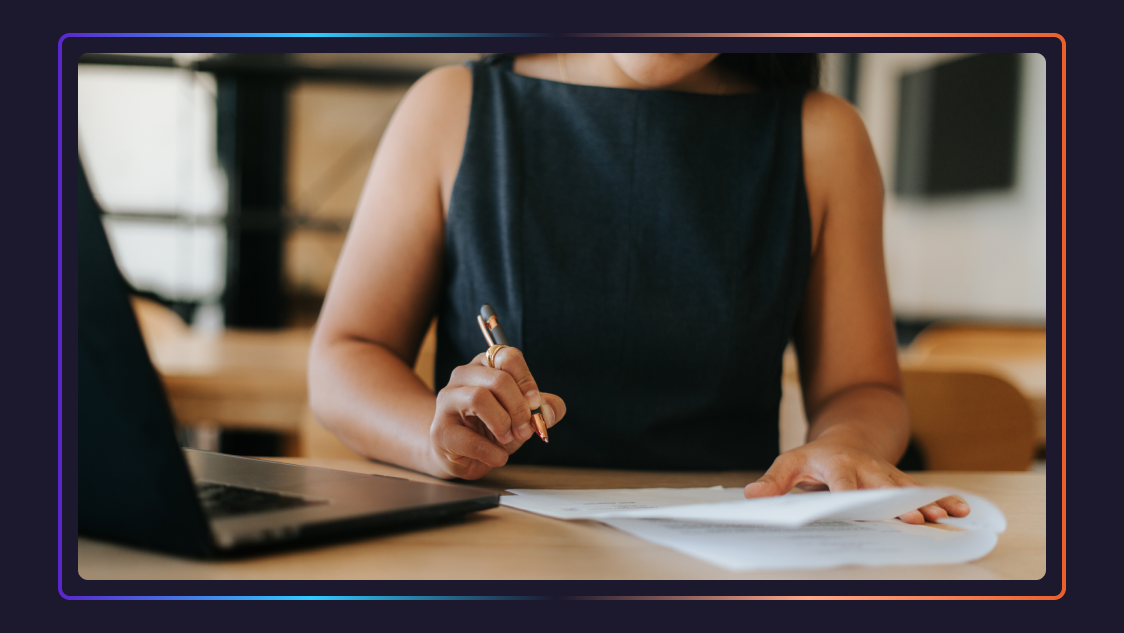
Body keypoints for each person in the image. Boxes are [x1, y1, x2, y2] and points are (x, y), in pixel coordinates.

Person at [307, 53, 969, 525]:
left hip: (731, 548)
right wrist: (433, 440)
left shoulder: (824, 138)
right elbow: (345, 356)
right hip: (495, 542)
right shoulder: (449, 107)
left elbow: (865, 387)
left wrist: (849, 439)